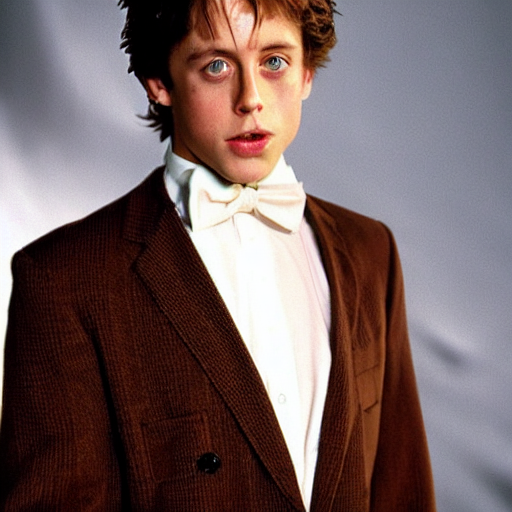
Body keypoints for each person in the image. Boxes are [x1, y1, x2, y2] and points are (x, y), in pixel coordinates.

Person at [0, 0, 436, 510]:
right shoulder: (65, 279)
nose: (251, 99)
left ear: (307, 73)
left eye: (274, 61)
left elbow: (402, 488)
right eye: (216, 66)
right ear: (159, 83)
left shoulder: (369, 251)